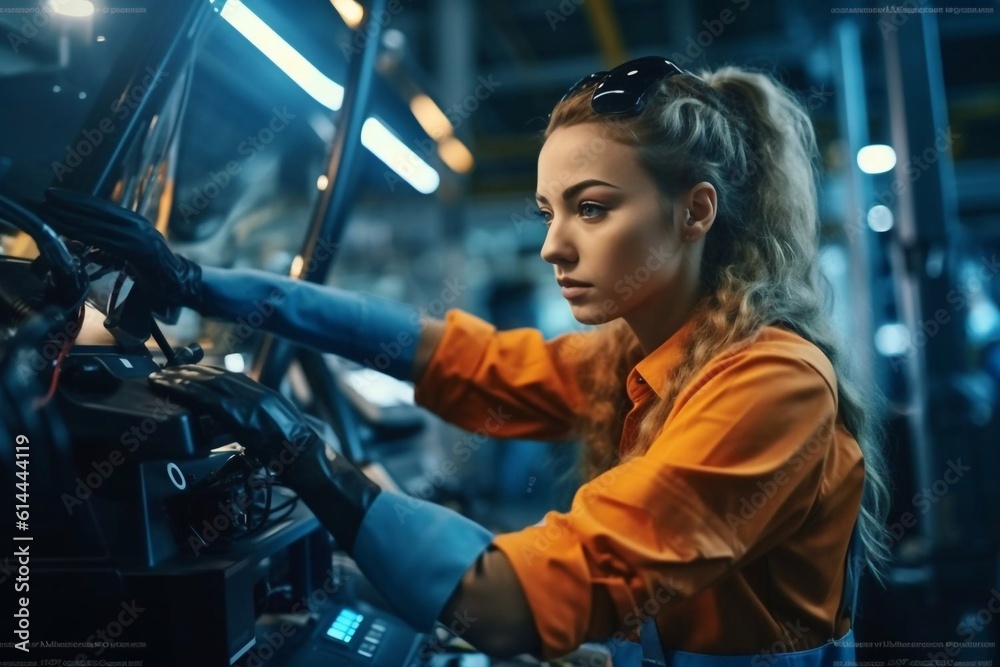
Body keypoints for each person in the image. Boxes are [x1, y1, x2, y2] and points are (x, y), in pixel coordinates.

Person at [41, 56, 891, 665]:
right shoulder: (648, 352)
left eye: (593, 208)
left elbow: (507, 601)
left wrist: (308, 459)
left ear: (695, 211)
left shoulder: (770, 385)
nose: (554, 246)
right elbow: (464, 360)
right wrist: (202, 283)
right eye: (549, 211)